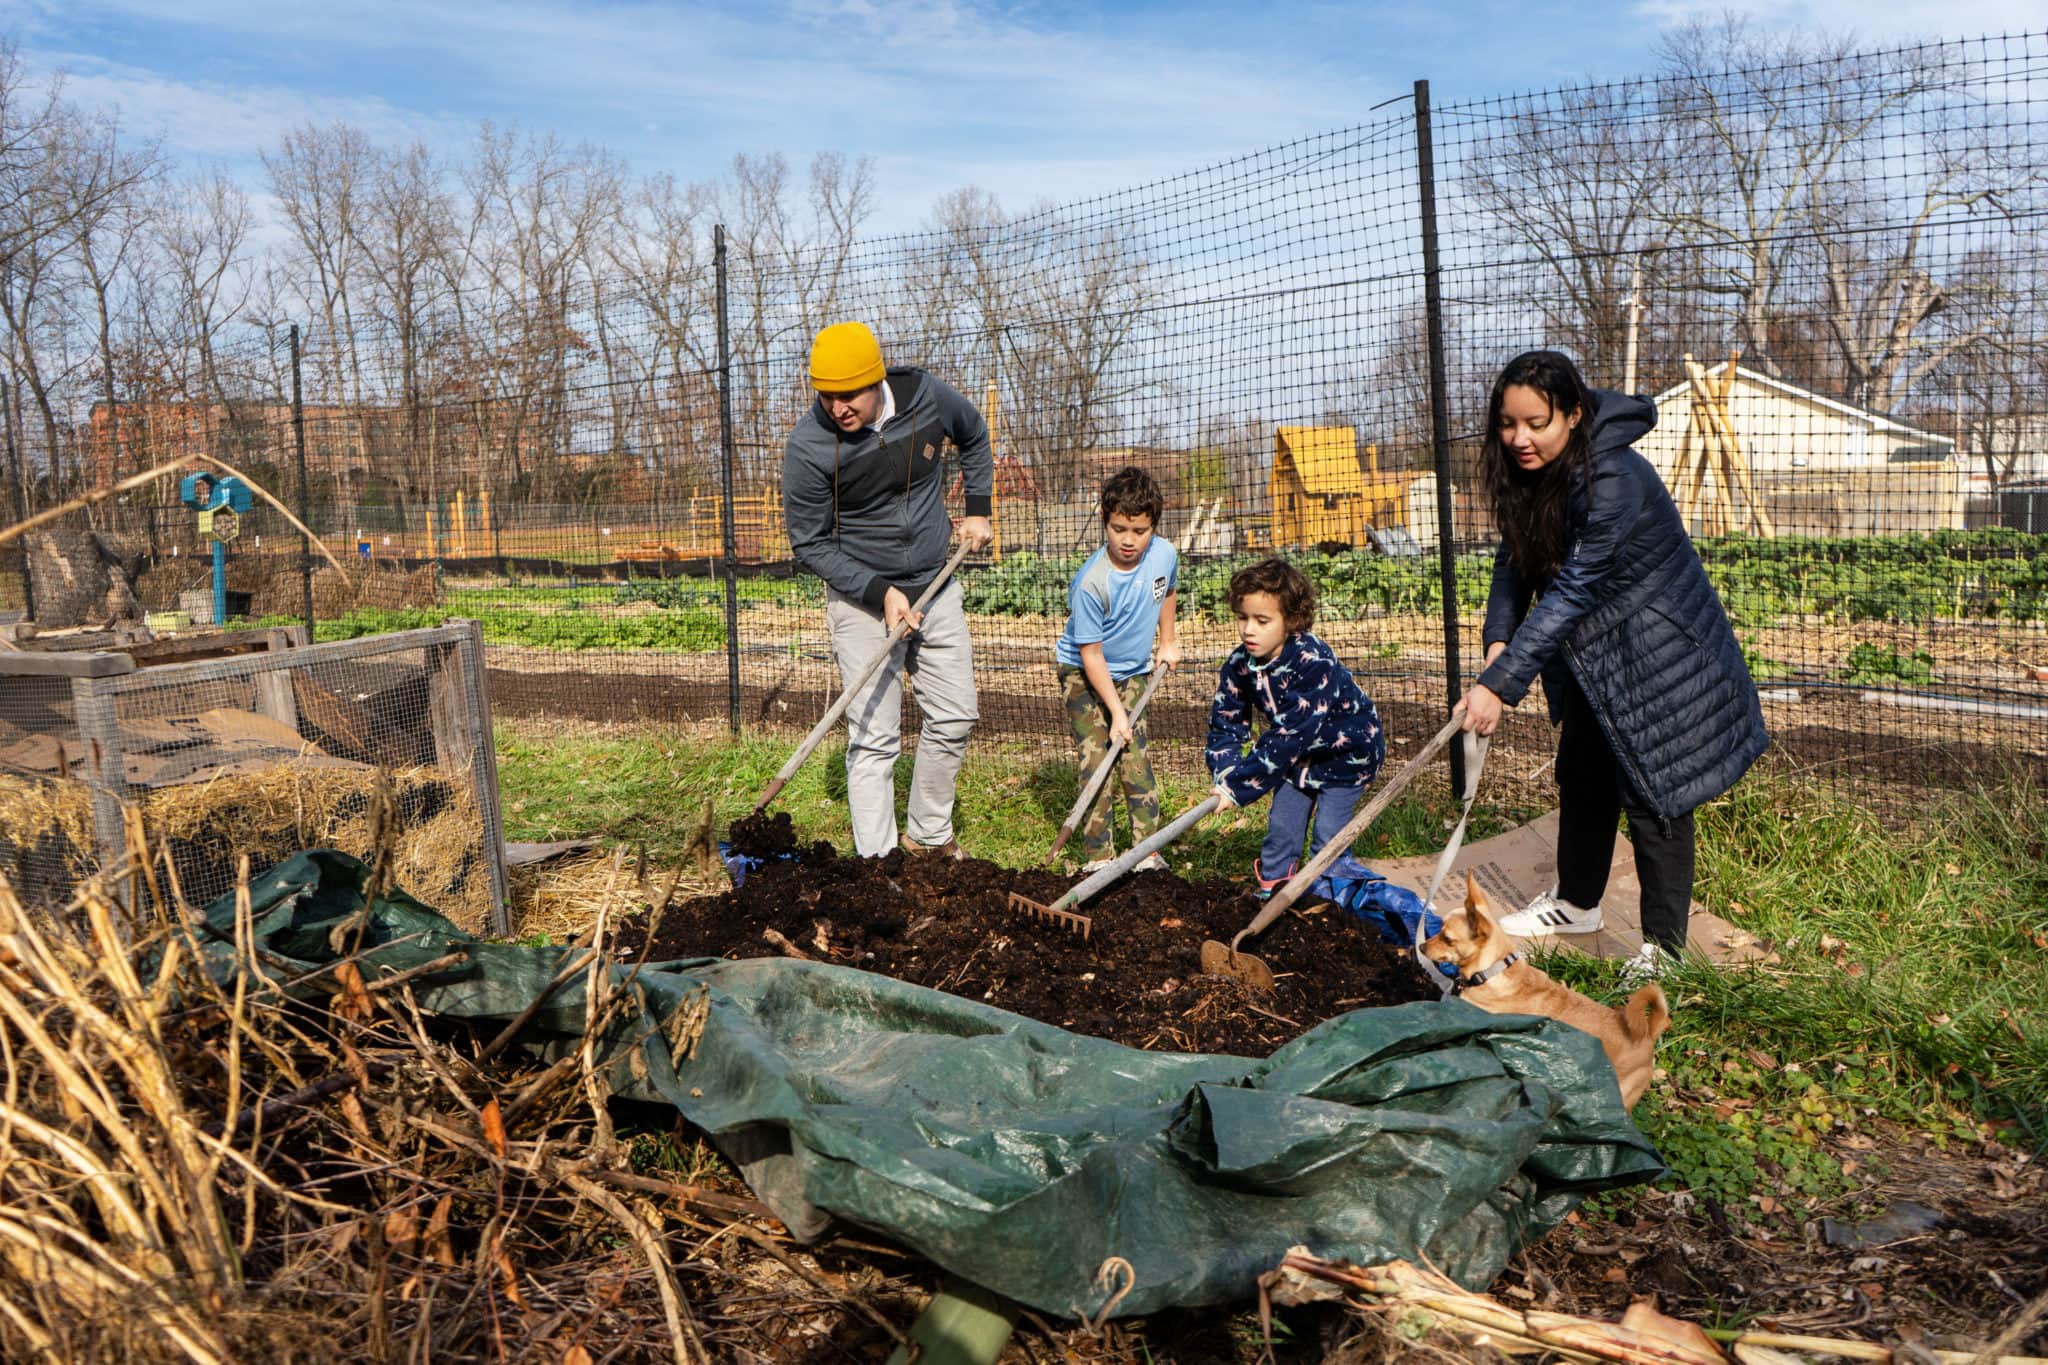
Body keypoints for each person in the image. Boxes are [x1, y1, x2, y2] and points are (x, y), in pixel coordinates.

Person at [1457, 349, 1766, 977]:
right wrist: (1498, 642)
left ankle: (1664, 951)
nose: (1519, 438)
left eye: (1536, 423)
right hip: (1597, 659)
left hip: (1658, 654)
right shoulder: (1536, 472)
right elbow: (1514, 563)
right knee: (1584, 774)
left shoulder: (1614, 477)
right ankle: (1576, 904)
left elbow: (1575, 587)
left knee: (1657, 790)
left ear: (1573, 414)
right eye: (1507, 424)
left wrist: (1501, 685)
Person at [780, 321, 994, 858]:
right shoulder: (809, 446)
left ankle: (927, 836)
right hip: (862, 600)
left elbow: (973, 433)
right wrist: (880, 593)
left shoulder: (927, 396)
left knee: (955, 717)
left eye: (848, 394)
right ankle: (877, 867)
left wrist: (978, 510)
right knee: (875, 740)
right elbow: (809, 543)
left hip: (936, 584)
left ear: (876, 380)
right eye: (826, 396)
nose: (837, 407)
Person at [1206, 558, 1385, 897]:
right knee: (1281, 831)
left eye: (1262, 620)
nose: (1248, 630)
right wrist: (1225, 773)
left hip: (1346, 755)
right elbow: (1226, 725)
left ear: (1291, 621)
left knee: (1329, 838)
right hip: (1295, 757)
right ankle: (1274, 894)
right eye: (1243, 618)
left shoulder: (1312, 661)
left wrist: (1239, 787)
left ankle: (1330, 902)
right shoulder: (1238, 666)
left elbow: (1291, 733)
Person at [1054, 466, 1183, 871]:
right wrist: (1116, 712)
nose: (1128, 540)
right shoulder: (1092, 582)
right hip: (1083, 672)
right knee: (1098, 762)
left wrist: (1167, 640)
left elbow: (1168, 588)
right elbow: (1091, 654)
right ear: (1105, 521)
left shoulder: (1164, 554)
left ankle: (1147, 853)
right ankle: (1099, 859)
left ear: (1153, 527)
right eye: (1119, 528)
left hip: (1133, 671)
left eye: (1139, 530)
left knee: (1135, 758)